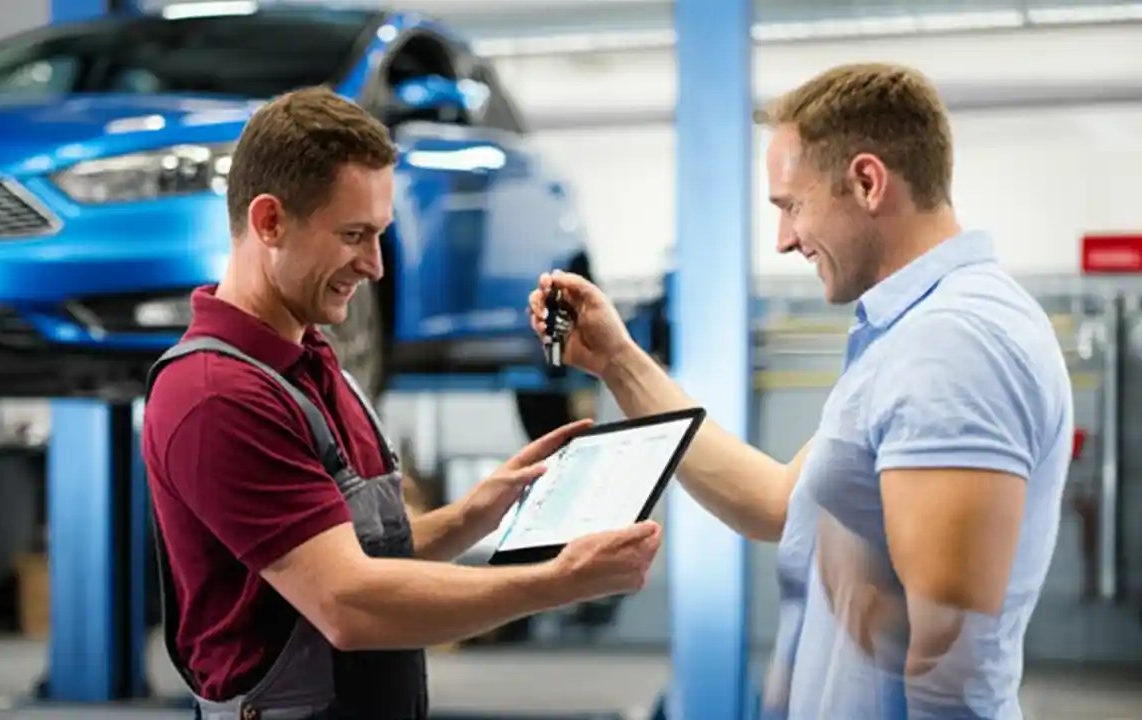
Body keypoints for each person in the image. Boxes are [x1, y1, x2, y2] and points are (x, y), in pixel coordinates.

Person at [529, 63, 1073, 719]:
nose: (785, 239)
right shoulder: (911, 334)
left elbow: (948, 666)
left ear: (867, 182)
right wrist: (618, 362)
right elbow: (779, 501)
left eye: (792, 206)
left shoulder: (953, 345)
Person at [141, 86, 662, 720]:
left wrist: (475, 513)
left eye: (380, 234)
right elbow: (347, 603)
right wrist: (559, 582)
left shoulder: (315, 364)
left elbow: (359, 554)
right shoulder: (216, 396)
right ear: (269, 222)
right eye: (353, 235)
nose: (376, 266)